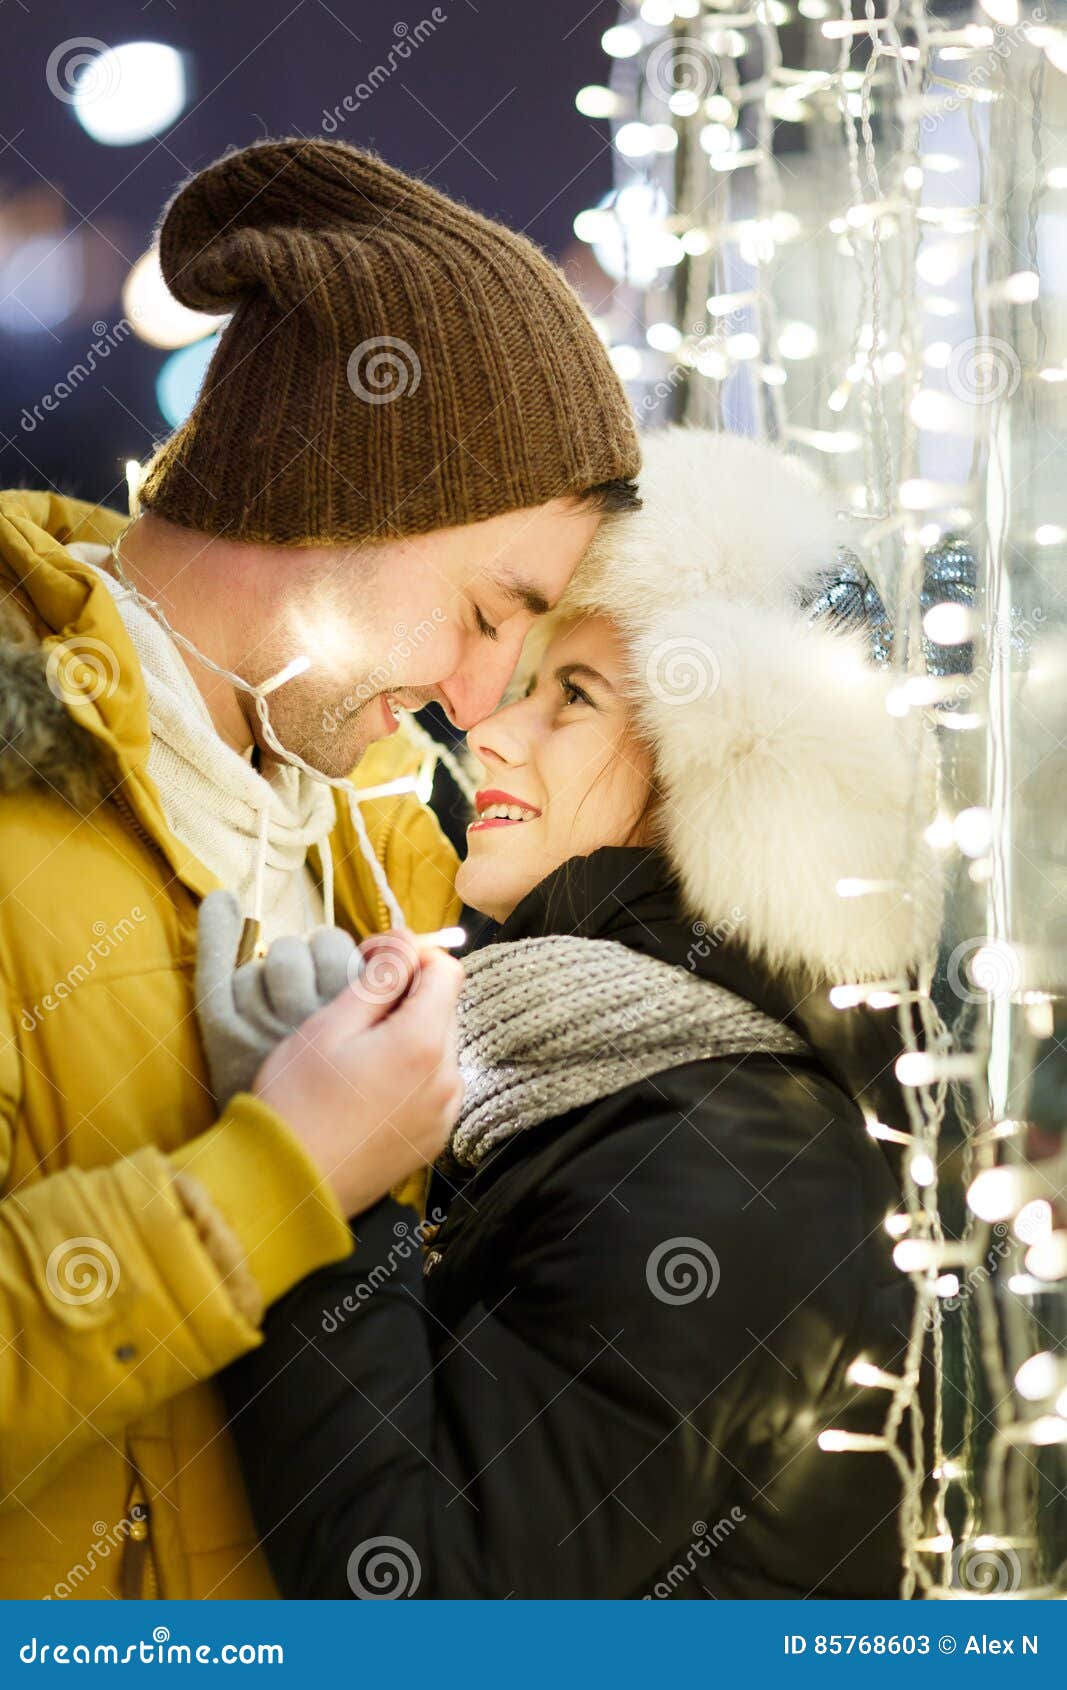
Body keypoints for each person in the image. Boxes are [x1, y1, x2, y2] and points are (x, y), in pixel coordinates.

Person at [0, 137, 638, 1598]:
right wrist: (281, 1179)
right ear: (335, 483)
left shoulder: (380, 829)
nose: (473, 698)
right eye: (485, 611)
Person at [218, 428, 941, 1600]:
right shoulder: (581, 1074)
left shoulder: (728, 1156)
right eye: (524, 685)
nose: (488, 731)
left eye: (573, 696)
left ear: (713, 781)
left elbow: (420, 1604)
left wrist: (314, 1184)